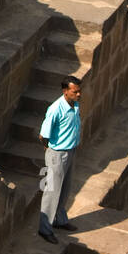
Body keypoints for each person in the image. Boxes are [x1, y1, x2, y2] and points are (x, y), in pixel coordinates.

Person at [38, 76, 82, 244]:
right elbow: (43, 136)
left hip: (70, 151)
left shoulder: (75, 105)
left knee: (65, 188)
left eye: (79, 91)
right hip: (58, 154)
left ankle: (60, 219)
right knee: (52, 191)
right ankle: (45, 228)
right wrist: (51, 151)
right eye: (75, 91)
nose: (78, 94)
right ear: (65, 91)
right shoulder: (56, 109)